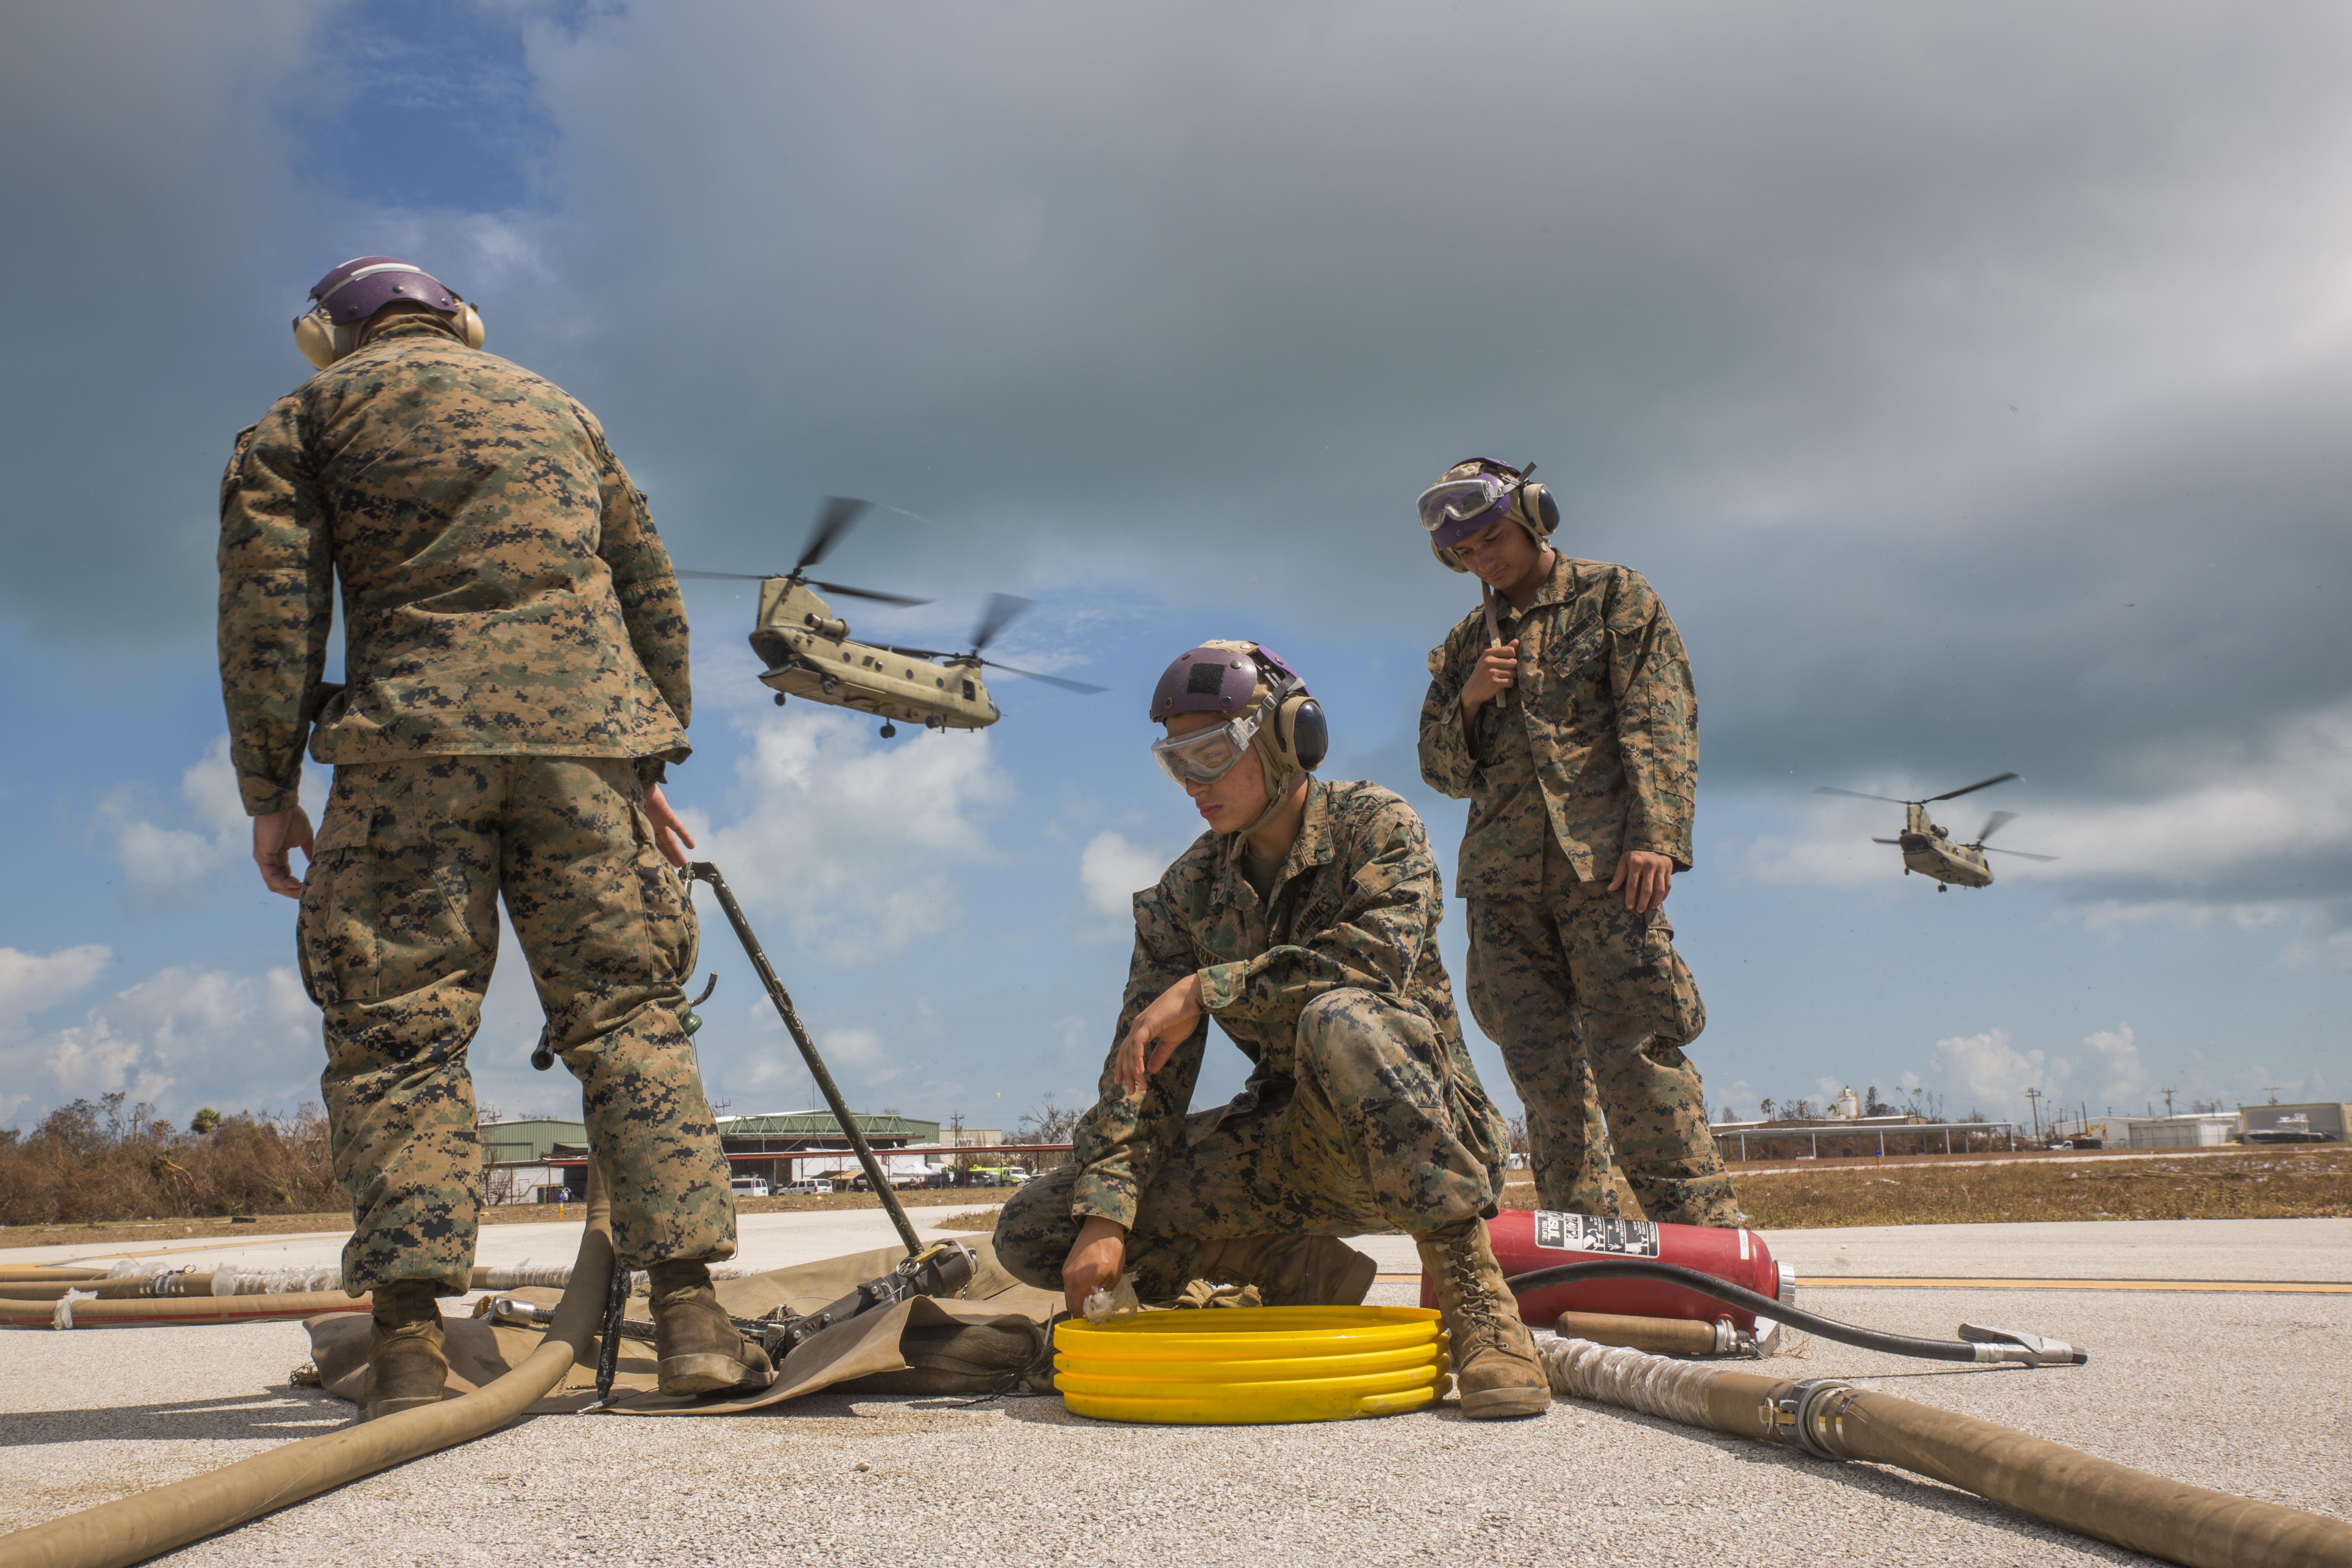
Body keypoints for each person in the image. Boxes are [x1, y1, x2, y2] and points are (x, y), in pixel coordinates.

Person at [218, 256, 768, 1417]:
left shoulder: (302, 419)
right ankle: (692, 1320)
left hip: (409, 749)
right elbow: (650, 592)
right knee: (631, 1018)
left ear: (327, 336)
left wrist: (271, 786)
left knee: (399, 1034)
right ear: (459, 322)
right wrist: (647, 756)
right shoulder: (564, 411)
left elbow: (273, 611)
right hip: (585, 752)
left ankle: (411, 1345)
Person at [993, 641, 1549, 1419]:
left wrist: (1208, 988)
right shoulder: (1186, 892)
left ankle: (1482, 1312)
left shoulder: (1377, 827)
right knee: (1032, 1230)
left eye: (1213, 753)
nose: (1193, 783)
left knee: (1341, 1019)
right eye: (1174, 761)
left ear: (1289, 737)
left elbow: (1373, 965)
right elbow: (1141, 1069)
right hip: (1287, 1151)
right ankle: (1294, 1271)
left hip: (1415, 1133)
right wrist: (1104, 1218)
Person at [1416, 459, 1740, 1227]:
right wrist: (1469, 700)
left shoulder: (1615, 598)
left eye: (1494, 538)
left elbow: (1657, 718)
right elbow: (1440, 771)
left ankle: (1705, 1245)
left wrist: (1656, 836)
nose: (1485, 559)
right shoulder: (1467, 644)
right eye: (1468, 553)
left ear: (1534, 517)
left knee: (1638, 1056)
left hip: (1605, 873)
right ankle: (1584, 1248)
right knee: (1544, 1078)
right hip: (1502, 889)